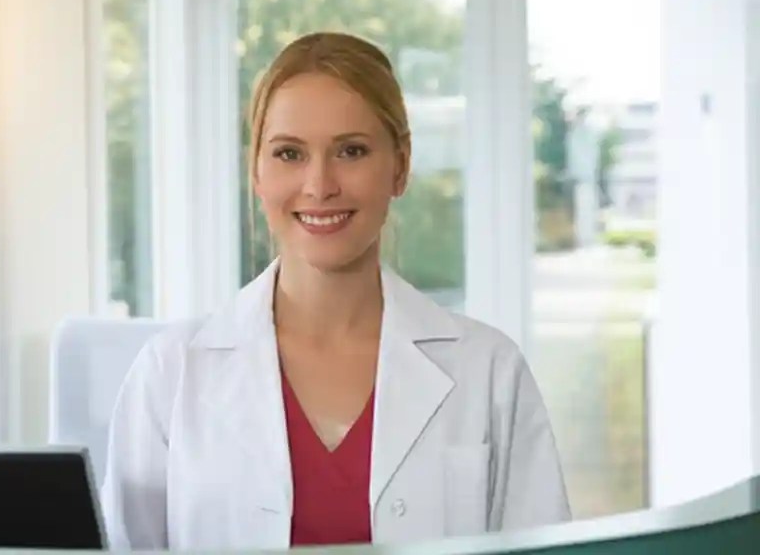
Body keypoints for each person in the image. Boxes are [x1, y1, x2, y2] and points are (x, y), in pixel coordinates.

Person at [100, 32, 571, 550]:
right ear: (256, 171)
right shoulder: (169, 373)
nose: (320, 185)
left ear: (400, 165)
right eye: (289, 153)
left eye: (351, 150)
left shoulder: (489, 370)